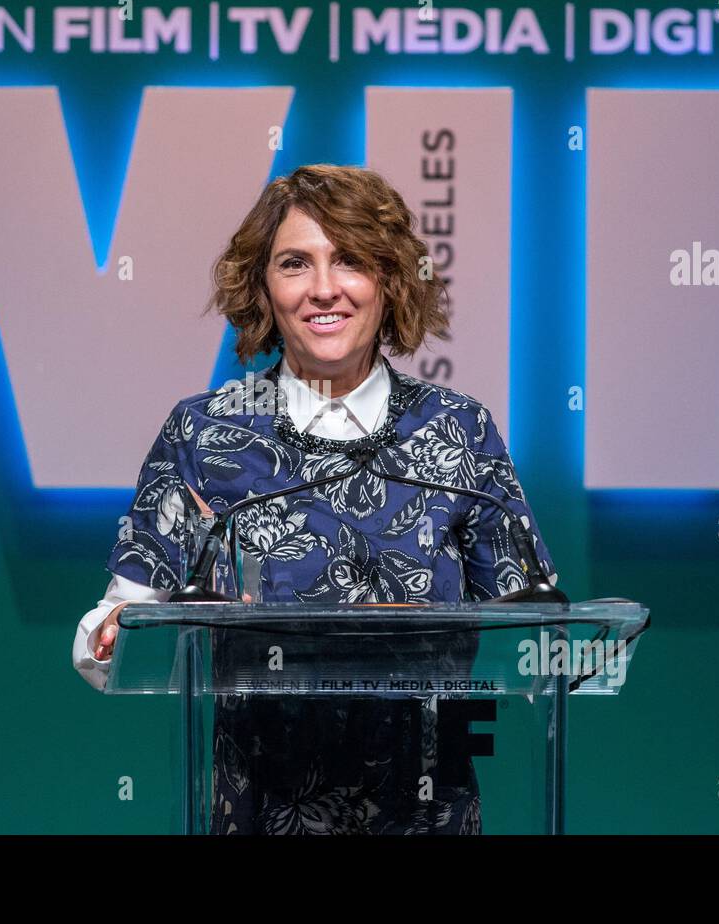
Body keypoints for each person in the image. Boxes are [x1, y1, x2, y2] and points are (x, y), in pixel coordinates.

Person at [73, 164, 558, 834]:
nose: (324, 289)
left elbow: (537, 632)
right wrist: (119, 633)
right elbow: (111, 638)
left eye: (351, 261)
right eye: (295, 264)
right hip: (261, 813)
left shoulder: (457, 431)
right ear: (263, 288)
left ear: (390, 280)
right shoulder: (207, 432)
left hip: (428, 813)